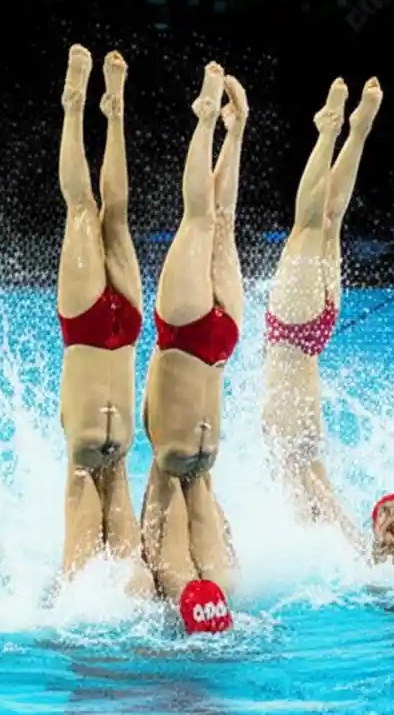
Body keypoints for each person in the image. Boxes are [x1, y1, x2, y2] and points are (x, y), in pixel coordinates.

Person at [259, 77, 394, 585]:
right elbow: (318, 502)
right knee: (312, 224)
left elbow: (325, 507)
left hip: (308, 339)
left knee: (322, 223)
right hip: (299, 337)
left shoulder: (348, 549)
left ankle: (352, 131)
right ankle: (334, 131)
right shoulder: (341, 545)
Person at [139, 62, 246, 634]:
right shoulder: (186, 505)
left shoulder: (161, 483)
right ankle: (222, 126)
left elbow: (154, 547)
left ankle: (216, 124)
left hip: (186, 336)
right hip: (215, 342)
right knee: (212, 222)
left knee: (206, 220)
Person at [55, 45, 154, 597]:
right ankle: (76, 102)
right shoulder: (76, 477)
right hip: (101, 330)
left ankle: (112, 110)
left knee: (107, 211)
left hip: (108, 331)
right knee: (85, 209)